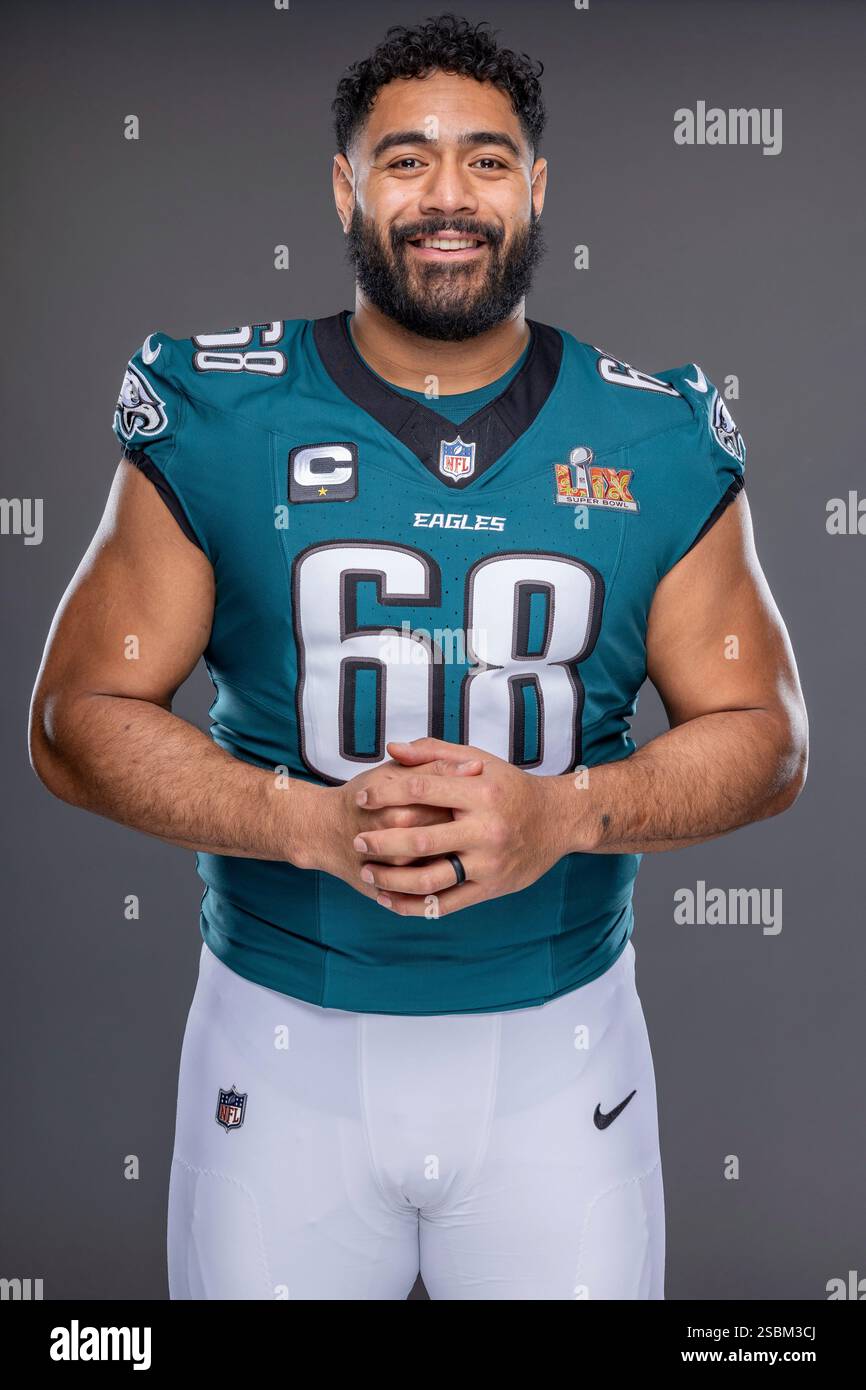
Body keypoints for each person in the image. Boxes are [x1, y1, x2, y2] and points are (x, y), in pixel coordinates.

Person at [28, 13, 807, 1299]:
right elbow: (73, 717)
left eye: (487, 160)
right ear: (345, 185)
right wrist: (306, 823)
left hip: (560, 1055)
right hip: (279, 1051)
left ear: (536, 185)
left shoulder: (653, 431)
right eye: (406, 160)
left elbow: (767, 735)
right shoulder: (223, 411)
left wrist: (562, 813)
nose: (448, 196)